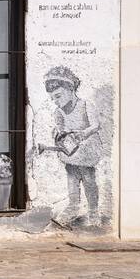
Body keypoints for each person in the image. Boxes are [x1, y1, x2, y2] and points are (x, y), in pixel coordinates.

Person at [41, 66, 102, 226]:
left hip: (87, 150)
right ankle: (73, 206)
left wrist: (83, 133)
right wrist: (57, 134)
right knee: (71, 179)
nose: (56, 101)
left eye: (58, 96)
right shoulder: (58, 112)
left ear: (70, 88)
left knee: (89, 179)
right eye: (52, 98)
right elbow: (60, 129)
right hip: (70, 151)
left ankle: (93, 211)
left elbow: (96, 125)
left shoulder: (86, 105)